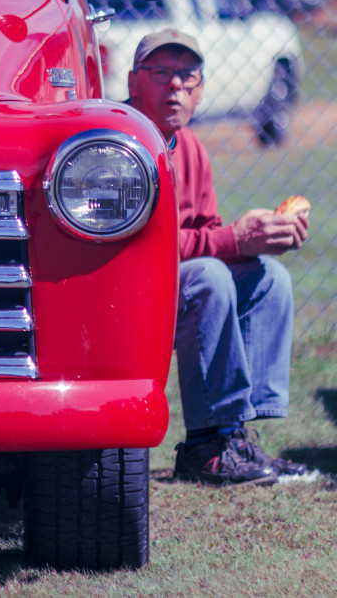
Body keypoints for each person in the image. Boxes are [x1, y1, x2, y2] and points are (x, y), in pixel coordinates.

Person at [126, 28, 312, 486]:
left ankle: (234, 437)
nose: (175, 86)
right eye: (161, 73)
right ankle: (206, 446)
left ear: (201, 89)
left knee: (269, 277)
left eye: (187, 76)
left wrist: (259, 238)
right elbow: (139, 247)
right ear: (134, 83)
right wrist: (232, 241)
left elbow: (204, 233)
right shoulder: (121, 143)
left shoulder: (189, 146)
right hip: (125, 302)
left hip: (172, 291)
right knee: (210, 276)